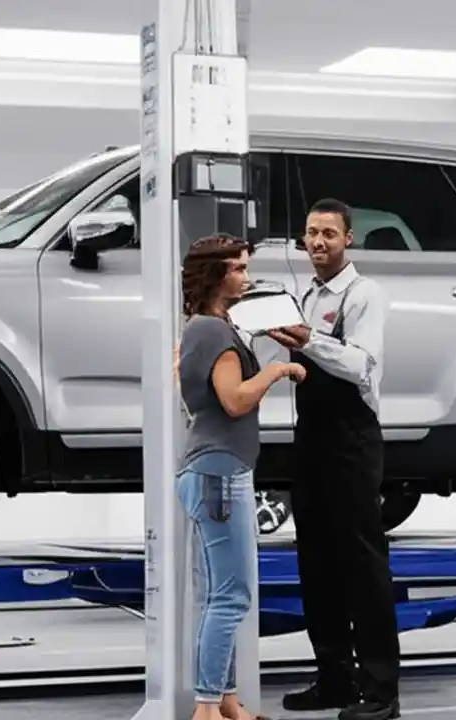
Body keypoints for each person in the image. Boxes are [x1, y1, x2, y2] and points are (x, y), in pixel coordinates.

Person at [268, 199, 402, 720]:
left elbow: (362, 365)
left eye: (328, 233)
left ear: (349, 239)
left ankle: (381, 692)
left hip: (352, 440)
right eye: (310, 234)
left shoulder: (364, 295)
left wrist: (309, 340)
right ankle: (334, 680)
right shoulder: (305, 295)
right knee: (317, 564)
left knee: (363, 568)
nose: (318, 242)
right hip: (312, 439)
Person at [176, 233, 307, 720]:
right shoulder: (211, 331)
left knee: (221, 594)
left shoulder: (209, 327)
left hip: (215, 472)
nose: (246, 277)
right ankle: (207, 709)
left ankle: (226, 701)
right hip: (219, 476)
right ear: (216, 275)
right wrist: (278, 371)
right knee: (230, 597)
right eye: (238, 269)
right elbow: (233, 400)